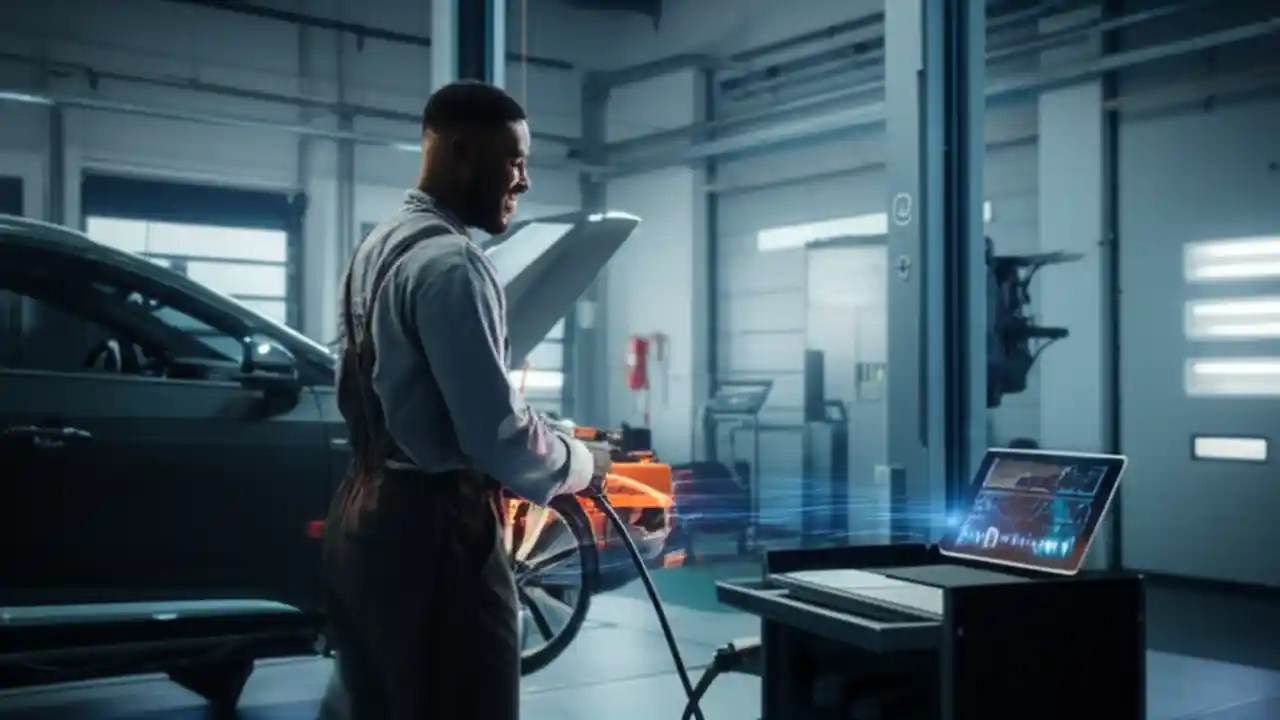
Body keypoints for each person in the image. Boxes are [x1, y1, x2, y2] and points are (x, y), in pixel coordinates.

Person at [320, 80, 610, 720]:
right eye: (514, 161)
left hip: (364, 520)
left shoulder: (377, 248)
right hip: (436, 537)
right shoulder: (454, 265)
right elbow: (497, 436)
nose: (524, 181)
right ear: (459, 152)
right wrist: (581, 463)